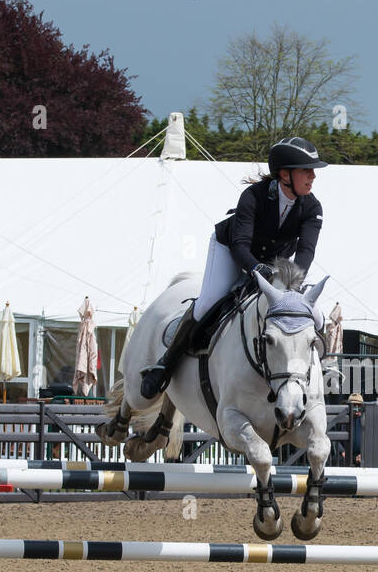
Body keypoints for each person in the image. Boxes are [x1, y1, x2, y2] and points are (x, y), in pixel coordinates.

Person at [139, 136, 327, 399]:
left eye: (313, 170)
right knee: (208, 303)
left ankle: (318, 370)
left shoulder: (312, 207)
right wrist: (254, 269)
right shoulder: (253, 196)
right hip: (231, 250)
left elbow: (306, 251)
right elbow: (240, 245)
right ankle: (165, 365)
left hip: (276, 264)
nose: (313, 176)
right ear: (285, 174)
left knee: (315, 314)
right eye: (306, 170)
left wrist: (291, 283)